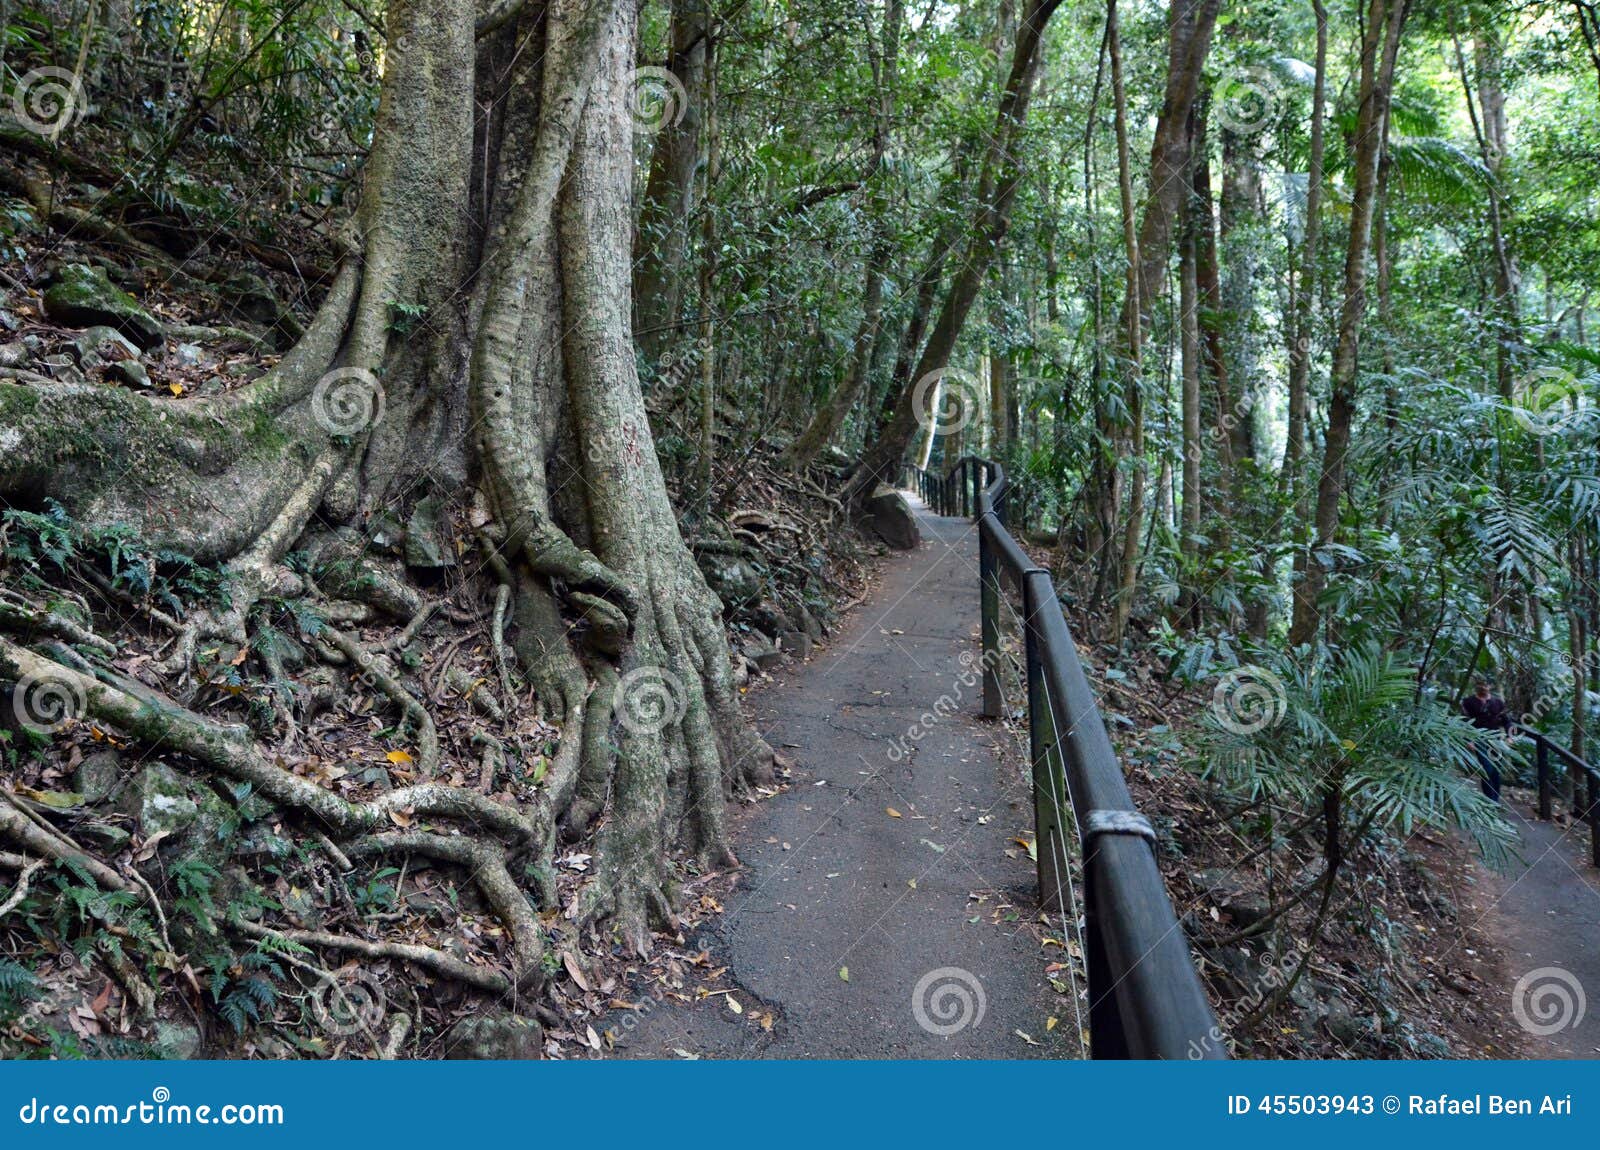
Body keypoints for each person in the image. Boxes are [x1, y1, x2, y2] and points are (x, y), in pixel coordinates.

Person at [1461, 678, 1512, 801]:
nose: (1483, 687)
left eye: (1485, 684)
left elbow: (1507, 721)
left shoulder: (1498, 702)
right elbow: (1465, 721)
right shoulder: (1468, 702)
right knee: (1486, 769)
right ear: (1476, 686)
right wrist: (1469, 740)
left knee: (1496, 770)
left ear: (1490, 686)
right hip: (1479, 739)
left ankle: (1495, 800)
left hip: (1496, 740)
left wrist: (1510, 736)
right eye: (1480, 684)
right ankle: (1491, 800)